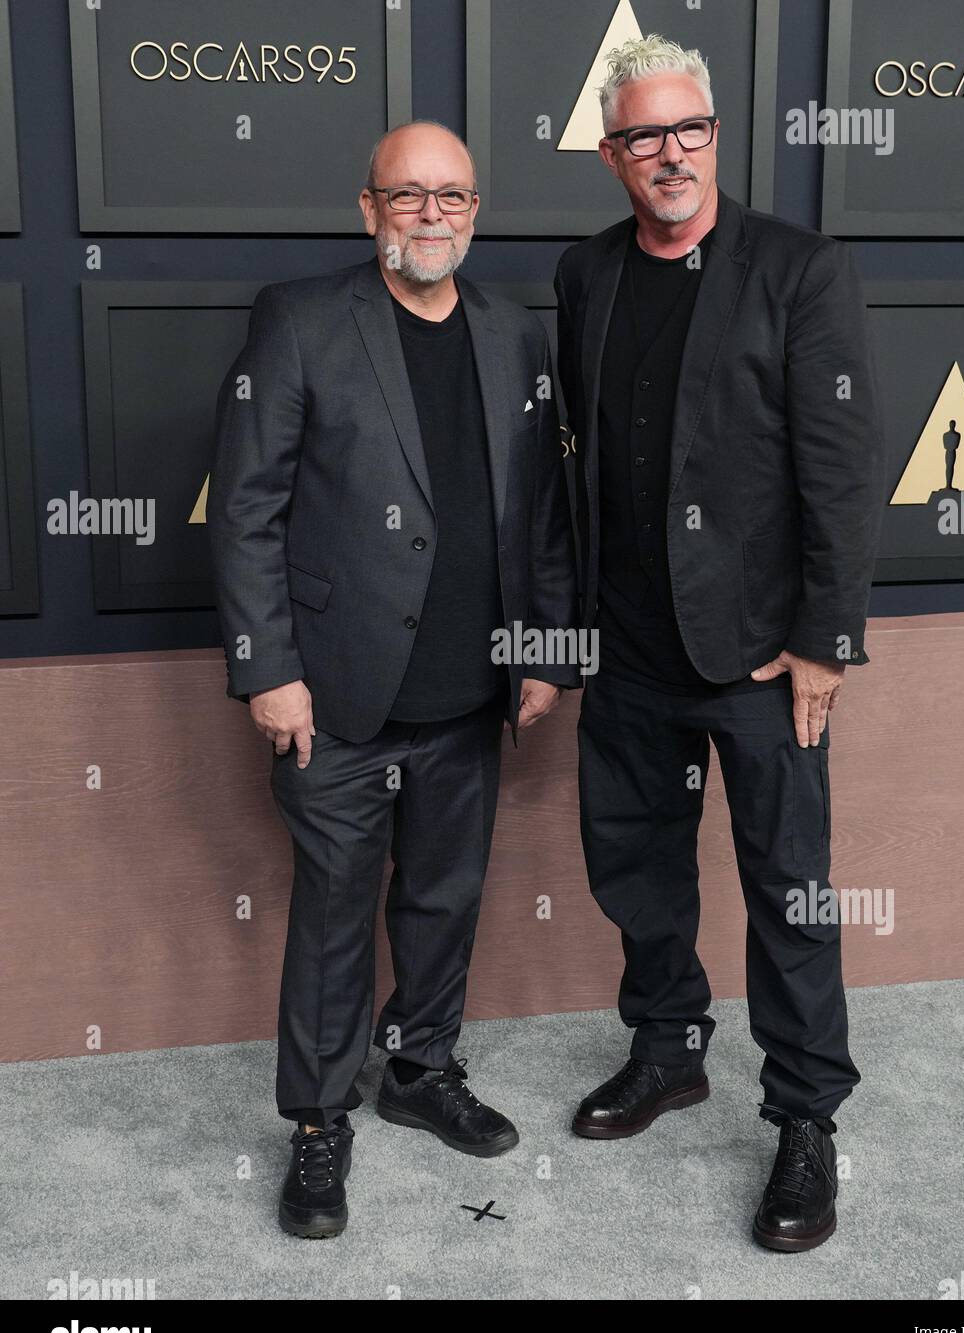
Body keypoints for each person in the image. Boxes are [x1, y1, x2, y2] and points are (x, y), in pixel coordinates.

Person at [208, 120, 578, 1238]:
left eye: (451, 197)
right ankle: (320, 1126)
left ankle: (421, 1068)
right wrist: (268, 670)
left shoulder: (515, 334)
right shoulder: (303, 319)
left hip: (470, 691)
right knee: (332, 916)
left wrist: (546, 647)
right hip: (335, 695)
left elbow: (541, 513)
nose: (431, 215)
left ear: (475, 210)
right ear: (368, 209)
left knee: (442, 896)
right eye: (407, 196)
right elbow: (246, 507)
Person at [553, 35, 886, 1251]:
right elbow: (572, 463)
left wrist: (822, 639)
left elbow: (840, 472)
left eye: (688, 130)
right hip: (629, 648)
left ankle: (804, 1119)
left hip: (758, 656)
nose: (670, 155)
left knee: (786, 889)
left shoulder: (796, 270)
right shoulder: (584, 275)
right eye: (644, 136)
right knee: (633, 867)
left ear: (713, 135)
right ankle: (665, 1048)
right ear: (612, 156)